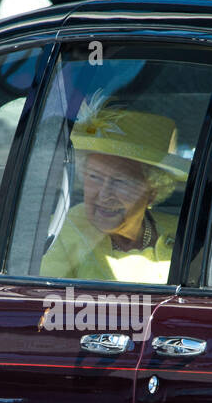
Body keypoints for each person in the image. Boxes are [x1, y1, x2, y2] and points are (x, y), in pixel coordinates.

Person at [41, 106, 187, 283]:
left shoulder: (183, 232)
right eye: (94, 177)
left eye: (120, 181)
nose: (104, 195)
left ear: (152, 192)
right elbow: (50, 304)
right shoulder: (57, 234)